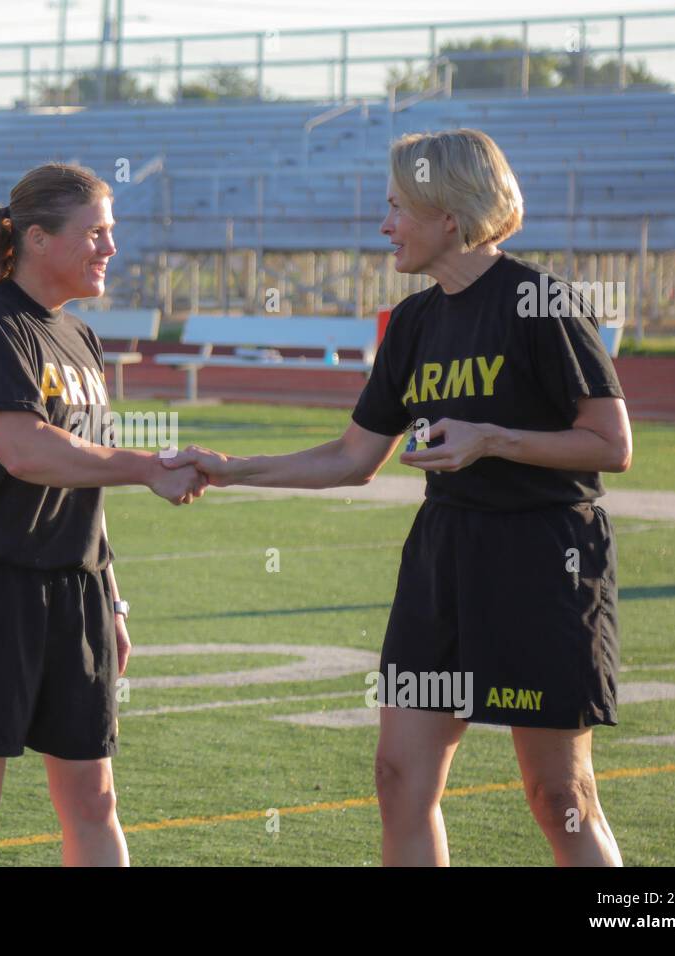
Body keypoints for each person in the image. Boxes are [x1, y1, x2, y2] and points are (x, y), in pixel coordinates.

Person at [163, 129, 631, 866]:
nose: (385, 226)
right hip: (442, 559)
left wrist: (491, 438)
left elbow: (611, 444)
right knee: (398, 777)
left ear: (450, 213)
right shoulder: (413, 322)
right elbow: (354, 457)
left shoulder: (541, 301)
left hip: (544, 562)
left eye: (397, 209)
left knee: (559, 797)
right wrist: (231, 468)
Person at [0, 162, 207, 867]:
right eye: (95, 232)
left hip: (76, 587)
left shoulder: (81, 337)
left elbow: (84, 469)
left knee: (93, 799)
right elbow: (26, 452)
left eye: (112, 232)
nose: (110, 249)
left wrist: (113, 595)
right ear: (36, 238)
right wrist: (148, 467)